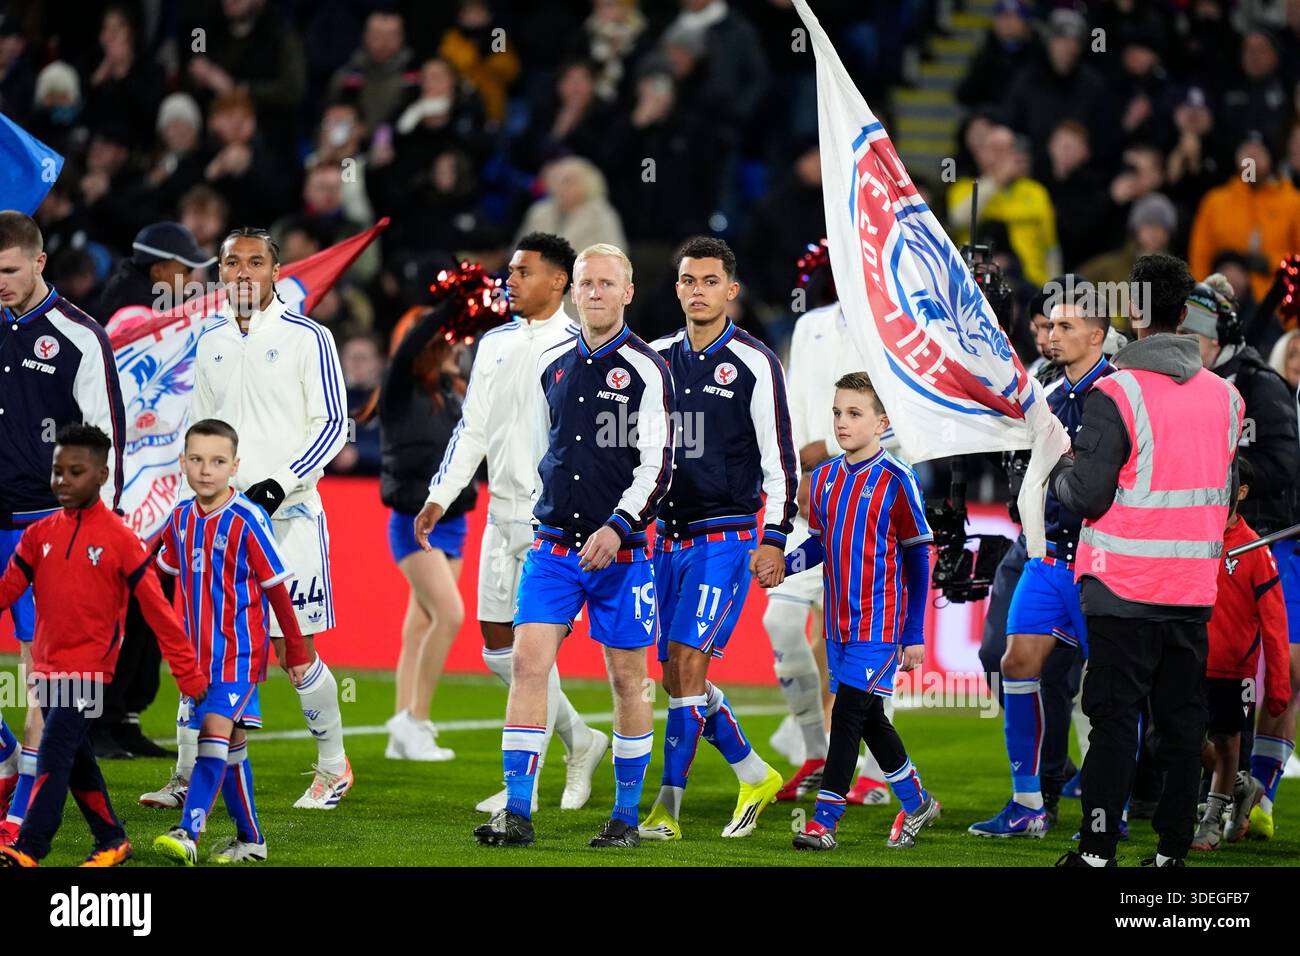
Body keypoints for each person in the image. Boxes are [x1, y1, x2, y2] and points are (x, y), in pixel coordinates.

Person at [139, 228, 352, 811]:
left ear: (275, 271)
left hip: (292, 518)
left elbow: (333, 425)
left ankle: (333, 767)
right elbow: (202, 425)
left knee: (294, 648)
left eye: (255, 262)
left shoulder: (310, 336)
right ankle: (187, 775)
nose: (241, 273)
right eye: (231, 262)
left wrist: (276, 486)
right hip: (221, 519)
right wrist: (205, 488)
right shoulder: (207, 338)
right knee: (204, 647)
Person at [472, 243, 673, 849]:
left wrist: (617, 527)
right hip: (554, 550)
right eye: (586, 283)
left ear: (628, 292)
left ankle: (625, 818)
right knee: (527, 666)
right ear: (574, 289)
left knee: (628, 680)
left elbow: (659, 466)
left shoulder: (646, 368)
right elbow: (545, 449)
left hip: (623, 555)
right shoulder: (554, 364)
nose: (594, 293)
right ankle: (517, 810)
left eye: (607, 284)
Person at [1052, 253, 1243, 868]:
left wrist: (1055, 469)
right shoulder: (1226, 397)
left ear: (1134, 313)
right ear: (1185, 311)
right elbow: (1228, 488)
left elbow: (1086, 495)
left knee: (1113, 723)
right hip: (1191, 592)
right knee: (1183, 730)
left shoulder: (1117, 391)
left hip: (1122, 589)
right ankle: (1169, 857)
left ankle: (1098, 852)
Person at [416, 234, 607, 814]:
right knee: (497, 648)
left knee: (528, 659)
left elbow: (598, 446)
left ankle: (524, 785)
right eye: (511, 271)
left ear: (558, 282)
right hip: (500, 518)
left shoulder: (586, 349)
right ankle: (582, 739)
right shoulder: (494, 343)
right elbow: (472, 429)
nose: (510, 280)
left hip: (556, 525)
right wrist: (439, 496)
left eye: (523, 272)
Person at [638, 237, 793, 841]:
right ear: (676, 289)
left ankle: (666, 812)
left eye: (709, 281)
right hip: (664, 540)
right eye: (687, 281)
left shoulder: (756, 363)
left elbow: (781, 462)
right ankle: (754, 773)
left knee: (688, 664)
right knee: (676, 678)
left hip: (725, 539)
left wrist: (775, 537)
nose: (697, 291)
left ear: (732, 290)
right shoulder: (655, 359)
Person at [0, 425, 207, 867]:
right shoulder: (39, 535)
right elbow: (6, 590)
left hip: (90, 673)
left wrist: (188, 673)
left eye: (76, 471)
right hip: (48, 671)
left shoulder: (120, 539)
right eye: (58, 471)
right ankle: (111, 840)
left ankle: (28, 848)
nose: (63, 481)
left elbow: (157, 611)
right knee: (77, 762)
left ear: (102, 475)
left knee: (54, 755)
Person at [768, 372, 939, 852]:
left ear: (882, 423)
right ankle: (917, 800)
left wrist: (914, 632)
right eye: (837, 413)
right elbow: (822, 543)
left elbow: (916, 557)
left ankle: (824, 822)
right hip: (838, 625)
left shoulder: (898, 479)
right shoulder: (822, 479)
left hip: (880, 625)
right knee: (868, 720)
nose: (842, 423)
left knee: (846, 716)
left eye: (854, 413)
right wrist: (785, 563)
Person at [0, 211, 126, 843]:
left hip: (46, 527)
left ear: (39, 263)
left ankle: (22, 807)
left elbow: (107, 437)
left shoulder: (79, 336)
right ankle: (5, 760)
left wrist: (102, 528)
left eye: (8, 271)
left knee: (39, 674)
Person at [969, 278, 1111, 838]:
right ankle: (1029, 804)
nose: (1051, 335)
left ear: (1097, 335)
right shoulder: (1045, 394)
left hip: (1102, 565)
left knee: (1113, 687)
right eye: (1049, 326)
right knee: (1013, 666)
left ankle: (1113, 809)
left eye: (1064, 327)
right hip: (1047, 560)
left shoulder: (1121, 394)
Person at [151, 420, 312, 865]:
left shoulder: (247, 519)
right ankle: (251, 840)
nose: (206, 470)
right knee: (233, 750)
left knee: (211, 736)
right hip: (196, 661)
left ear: (234, 466)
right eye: (197, 460)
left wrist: (294, 648)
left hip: (238, 657)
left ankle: (188, 831)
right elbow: (159, 577)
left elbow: (277, 588)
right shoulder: (180, 518)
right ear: (183, 463)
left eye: (218, 461)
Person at [378, 307, 477, 761]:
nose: (460, 346)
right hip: (413, 522)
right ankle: (415, 720)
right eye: (451, 340)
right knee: (451, 615)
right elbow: (408, 349)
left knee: (419, 625)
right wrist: (445, 307)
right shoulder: (399, 389)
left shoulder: (452, 391)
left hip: (454, 521)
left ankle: (403, 729)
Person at [1190, 461, 1290, 851]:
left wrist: (1278, 682)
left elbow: (1275, 623)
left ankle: (1211, 821)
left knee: (1227, 741)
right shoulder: (1192, 535)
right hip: (1191, 659)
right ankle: (1243, 786)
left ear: (1240, 491)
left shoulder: (1256, 551)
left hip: (1234, 669)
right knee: (1173, 738)